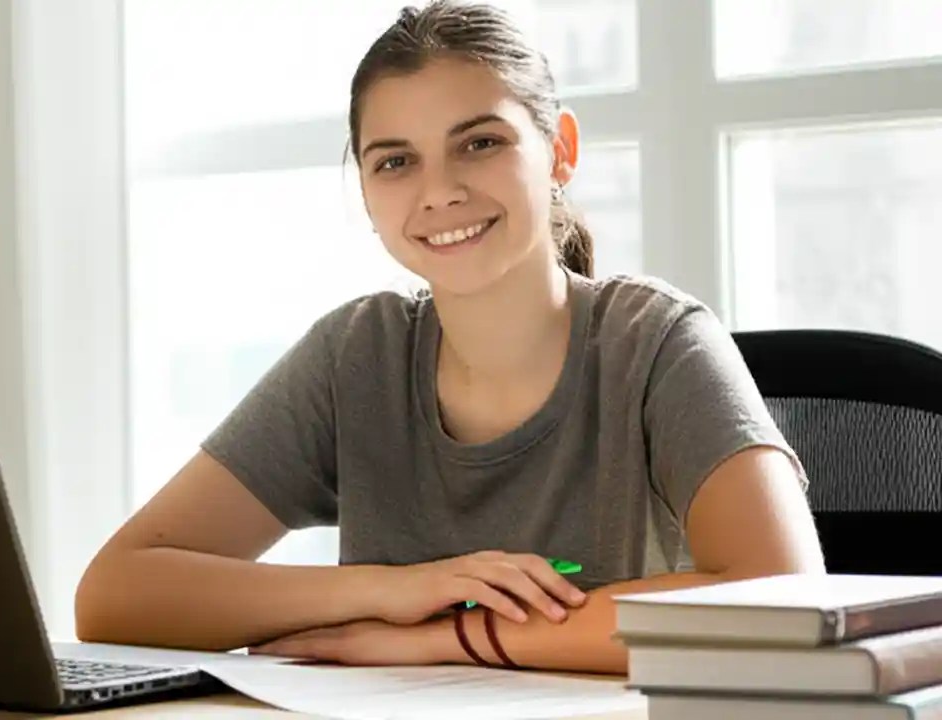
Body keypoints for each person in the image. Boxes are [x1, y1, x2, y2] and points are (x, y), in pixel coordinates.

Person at [75, 0, 824, 674]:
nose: (438, 192)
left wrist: (452, 635)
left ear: (560, 149)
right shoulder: (356, 356)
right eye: (395, 162)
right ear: (365, 192)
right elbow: (115, 594)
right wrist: (391, 592)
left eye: (479, 143)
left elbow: (787, 595)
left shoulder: (658, 344)